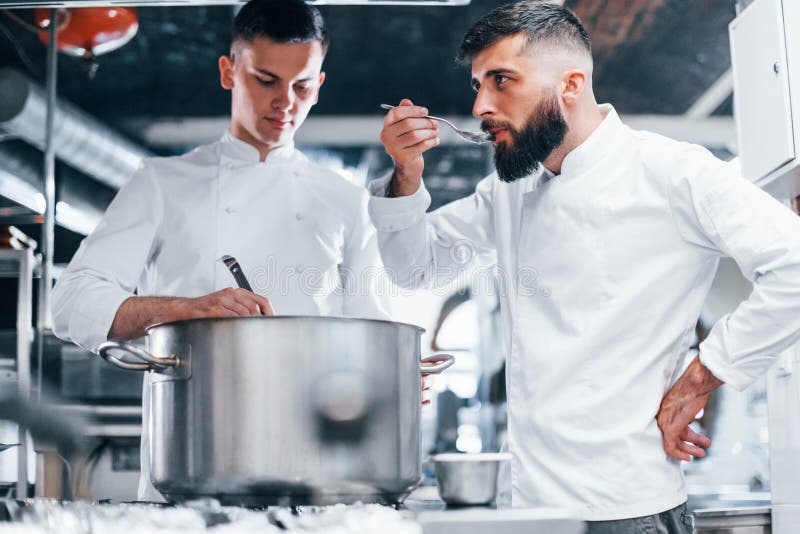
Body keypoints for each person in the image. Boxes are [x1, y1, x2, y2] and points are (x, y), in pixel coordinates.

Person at [369, 1, 800, 531]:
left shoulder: (673, 172)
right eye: (478, 84)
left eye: (501, 80)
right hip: (525, 508)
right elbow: (415, 269)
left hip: (625, 510)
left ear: (570, 85)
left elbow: (794, 268)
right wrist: (406, 177)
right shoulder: (510, 190)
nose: (480, 104)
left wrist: (702, 377)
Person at [52, 0, 391, 501]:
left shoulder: (346, 201)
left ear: (319, 84)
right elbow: (69, 303)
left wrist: (398, 377)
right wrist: (185, 313)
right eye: (266, 80)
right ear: (229, 72)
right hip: (187, 463)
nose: (285, 103)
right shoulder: (163, 184)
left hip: (315, 476)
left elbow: (375, 342)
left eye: (302, 86)